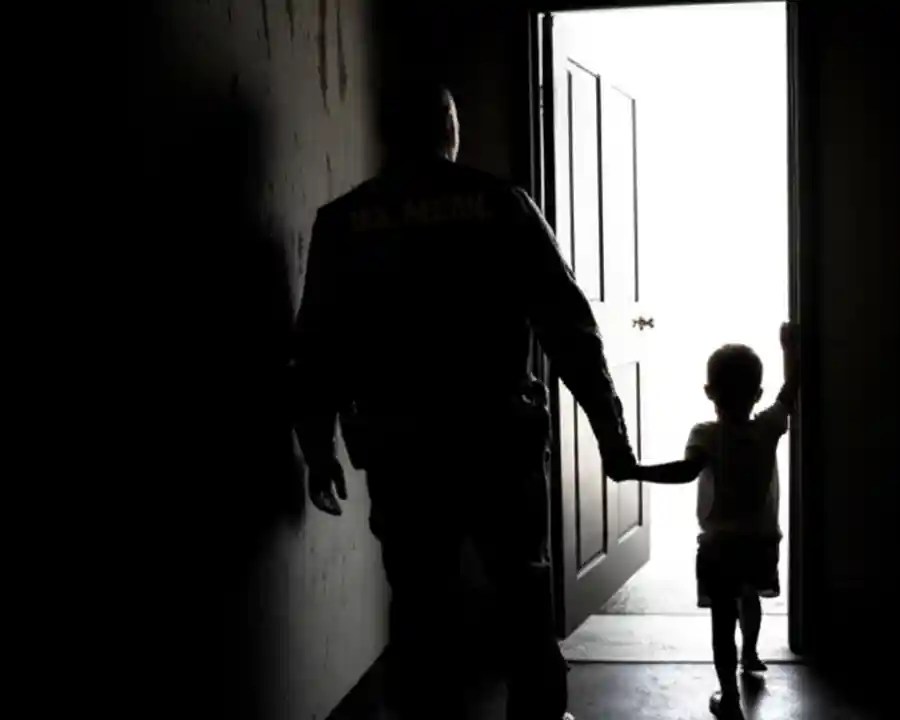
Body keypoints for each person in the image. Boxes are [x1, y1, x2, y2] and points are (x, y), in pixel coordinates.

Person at [294, 84, 638, 720]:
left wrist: (317, 444)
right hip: (496, 441)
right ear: (449, 127)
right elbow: (570, 329)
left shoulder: (344, 221)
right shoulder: (499, 205)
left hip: (402, 447)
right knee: (524, 599)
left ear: (385, 134)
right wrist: (611, 437)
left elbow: (319, 346)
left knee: (420, 609)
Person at [626, 322, 798, 719]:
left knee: (723, 620)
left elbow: (684, 472)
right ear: (757, 393)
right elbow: (790, 391)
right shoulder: (768, 427)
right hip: (760, 540)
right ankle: (751, 654)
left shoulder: (704, 434)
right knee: (750, 596)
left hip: (719, 546)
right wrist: (790, 349)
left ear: (708, 392)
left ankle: (728, 696)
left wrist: (636, 471)